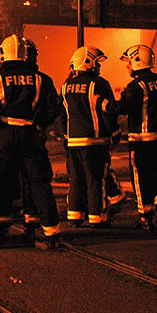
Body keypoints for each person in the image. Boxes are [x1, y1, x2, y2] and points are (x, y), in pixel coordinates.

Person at [0, 34, 63, 249]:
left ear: (3, 55)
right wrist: (38, 122)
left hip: (4, 136)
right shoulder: (41, 79)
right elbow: (54, 107)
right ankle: (52, 233)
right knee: (40, 184)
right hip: (30, 135)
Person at [61, 46, 119, 227]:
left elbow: (62, 115)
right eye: (96, 63)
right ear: (88, 63)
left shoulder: (65, 86)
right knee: (96, 179)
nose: (98, 67)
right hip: (95, 141)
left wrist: (65, 136)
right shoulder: (99, 84)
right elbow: (108, 113)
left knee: (76, 178)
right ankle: (97, 216)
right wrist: (115, 133)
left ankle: (75, 215)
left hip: (73, 142)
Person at [119, 44, 157, 231]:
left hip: (142, 142)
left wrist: (103, 104)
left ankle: (146, 217)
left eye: (128, 62)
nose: (127, 66)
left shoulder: (135, 86)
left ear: (137, 61)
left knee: (141, 177)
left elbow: (122, 108)